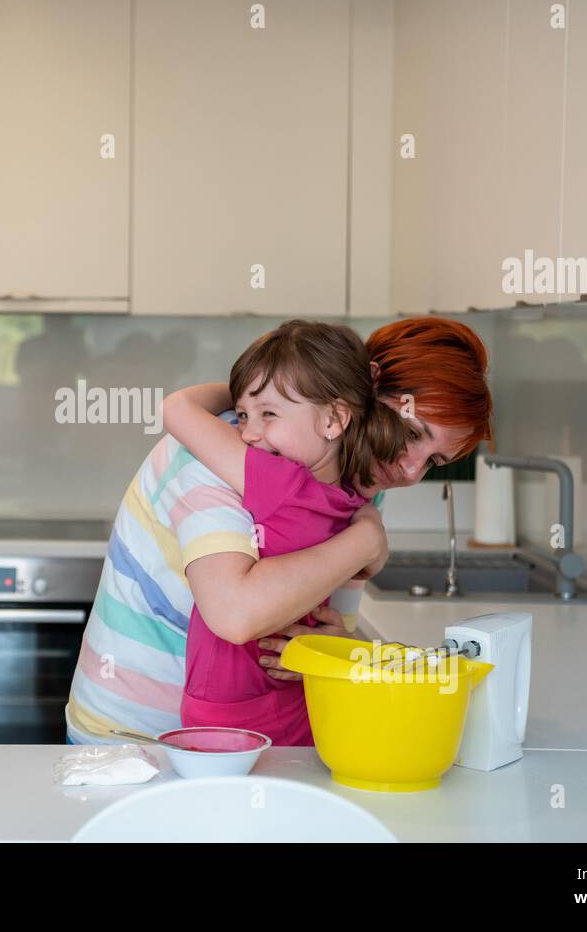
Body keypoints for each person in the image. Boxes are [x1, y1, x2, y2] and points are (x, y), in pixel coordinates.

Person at [64, 316, 493, 744]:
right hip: (132, 737)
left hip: (246, 739)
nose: (412, 468)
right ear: (366, 389)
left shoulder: (357, 475)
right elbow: (236, 613)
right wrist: (367, 541)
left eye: (434, 461)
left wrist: (329, 646)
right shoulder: (220, 451)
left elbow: (320, 613)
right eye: (413, 431)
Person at [164, 321, 406, 744]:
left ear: (334, 419)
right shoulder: (355, 500)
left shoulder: (277, 480)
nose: (248, 433)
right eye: (241, 415)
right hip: (290, 695)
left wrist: (242, 390)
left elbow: (175, 409)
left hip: (233, 702)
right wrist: (263, 390)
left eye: (268, 414)